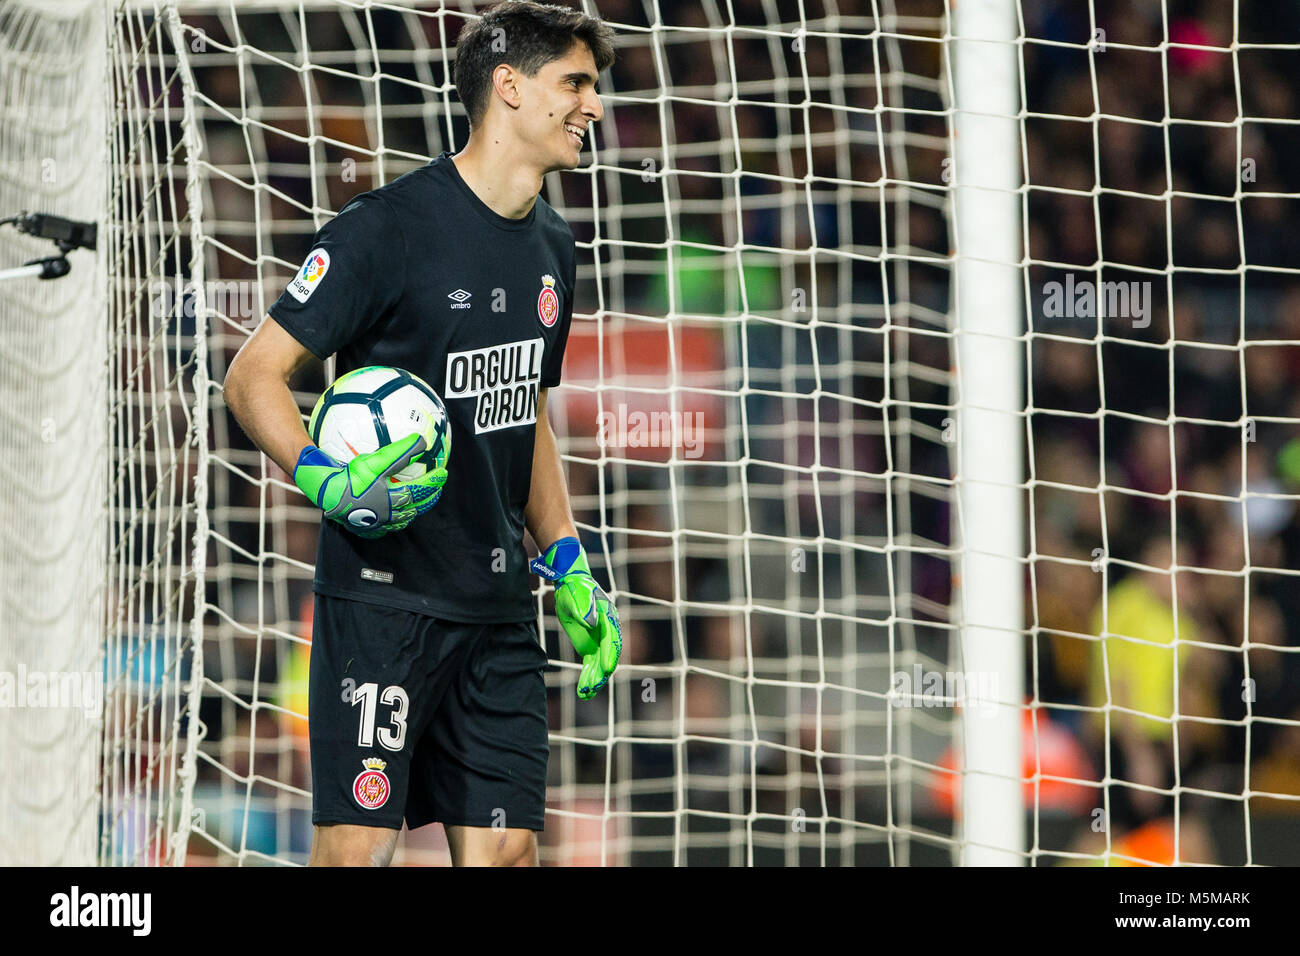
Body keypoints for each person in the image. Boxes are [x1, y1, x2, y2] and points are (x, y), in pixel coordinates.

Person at [222, 1, 621, 867]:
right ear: (509, 88)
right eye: (576, 83)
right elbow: (252, 376)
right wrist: (318, 470)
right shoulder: (386, 230)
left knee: (508, 850)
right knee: (356, 851)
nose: (594, 105)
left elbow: (529, 416)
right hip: (384, 603)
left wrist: (568, 561)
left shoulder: (556, 246)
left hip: (498, 607)